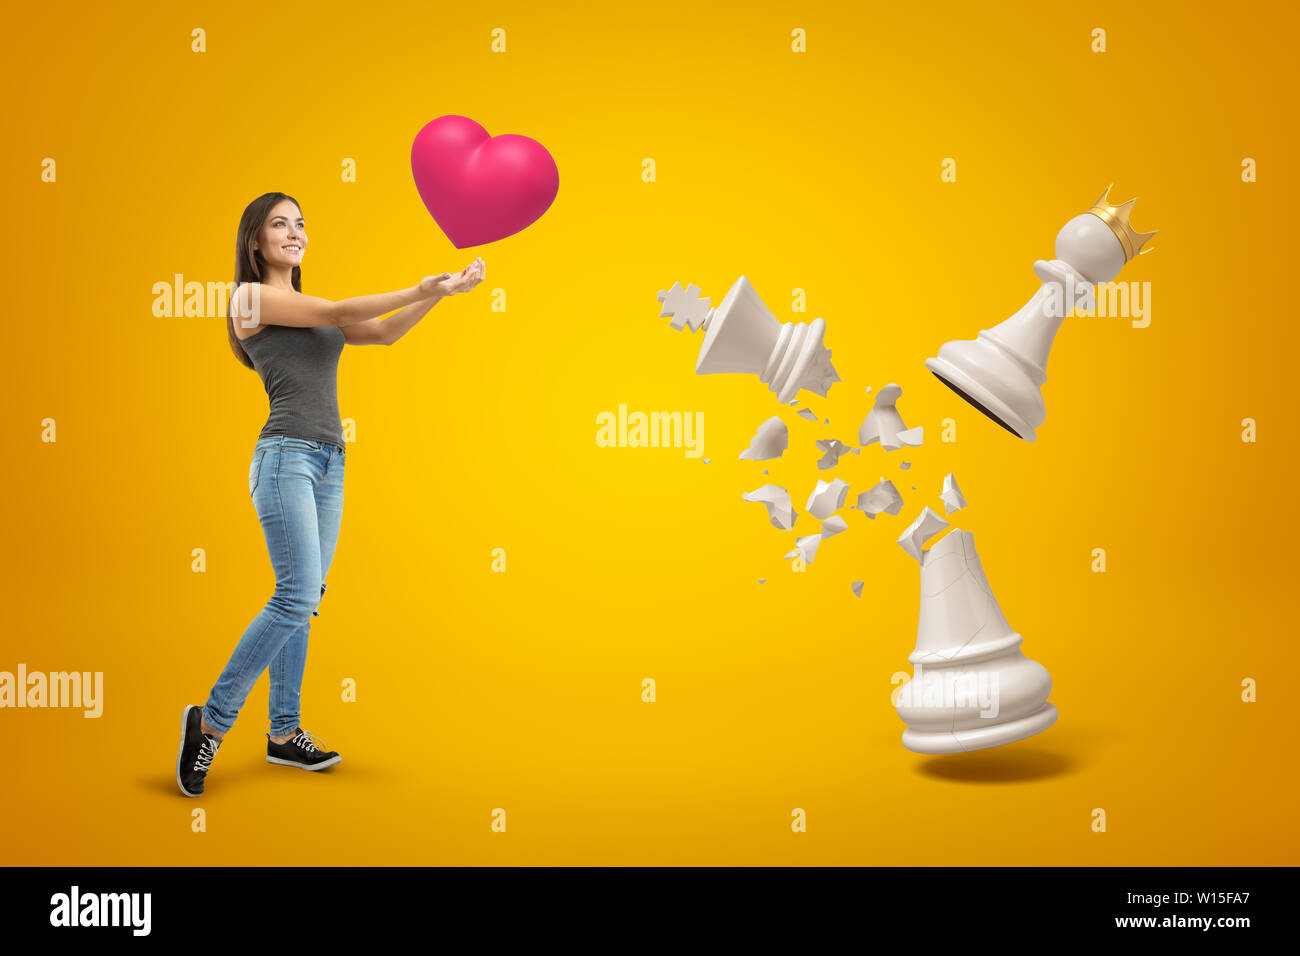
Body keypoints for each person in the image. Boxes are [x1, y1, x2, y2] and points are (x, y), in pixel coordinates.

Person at [177, 191, 484, 797]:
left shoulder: (308, 306)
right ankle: (211, 720)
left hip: (329, 463)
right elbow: (343, 307)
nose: (294, 233)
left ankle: (285, 735)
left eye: (301, 224)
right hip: (284, 458)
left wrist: (438, 297)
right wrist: (421, 285)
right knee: (293, 596)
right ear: (255, 241)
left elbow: (384, 332)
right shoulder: (248, 299)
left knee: (306, 596)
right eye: (279, 224)